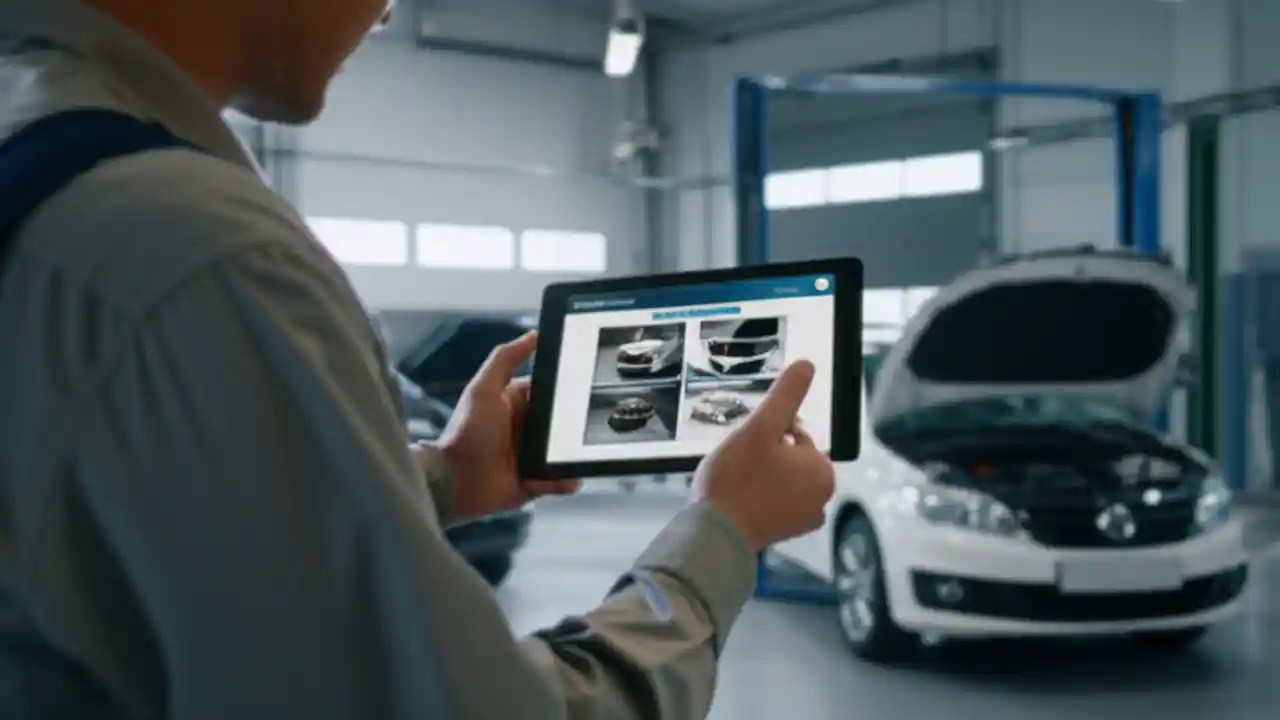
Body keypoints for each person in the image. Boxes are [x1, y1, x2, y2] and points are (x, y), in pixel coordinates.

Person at [0, 1, 836, 718]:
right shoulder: (196, 254)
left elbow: (143, 538)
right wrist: (720, 540)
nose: (391, 8)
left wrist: (444, 480)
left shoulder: (36, 147)